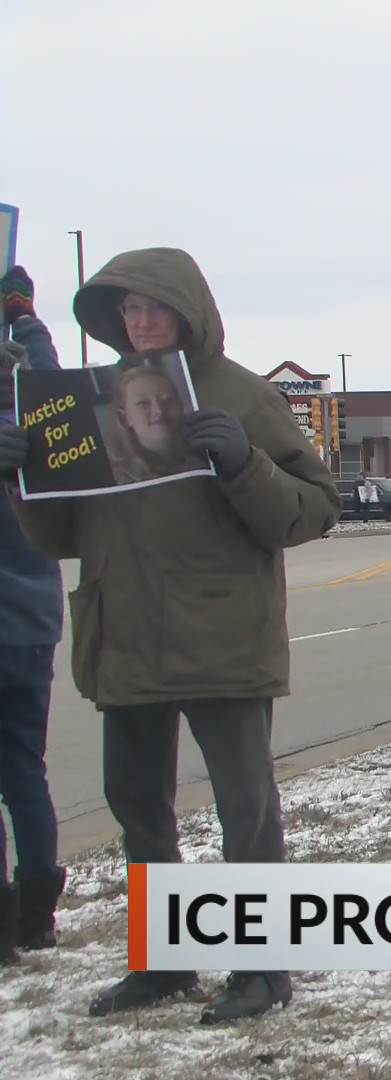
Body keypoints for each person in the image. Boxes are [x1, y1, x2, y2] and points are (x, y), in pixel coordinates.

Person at [8, 248, 340, 1021]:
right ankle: (163, 964)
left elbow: (314, 509)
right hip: (124, 634)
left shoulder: (242, 395)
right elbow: (63, 534)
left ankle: (263, 970)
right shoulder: (93, 402)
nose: (141, 321)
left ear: (189, 309)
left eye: (153, 307)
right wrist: (21, 481)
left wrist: (243, 463)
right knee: (137, 808)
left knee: (245, 810)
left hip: (223, 637)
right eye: (127, 311)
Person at [0, 267, 67, 963]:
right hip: (33, 619)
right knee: (24, 770)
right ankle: (39, 909)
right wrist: (25, 318)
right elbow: (48, 384)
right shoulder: (42, 441)